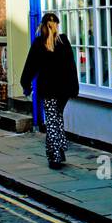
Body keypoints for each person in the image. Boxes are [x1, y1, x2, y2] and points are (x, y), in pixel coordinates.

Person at [19, 12, 79, 168]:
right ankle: (60, 150)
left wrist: (25, 84)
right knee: (57, 118)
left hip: (49, 89)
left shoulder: (39, 43)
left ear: (43, 26)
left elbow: (30, 66)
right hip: (64, 90)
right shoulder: (64, 41)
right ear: (56, 25)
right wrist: (74, 88)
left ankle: (55, 157)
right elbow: (71, 67)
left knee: (52, 121)